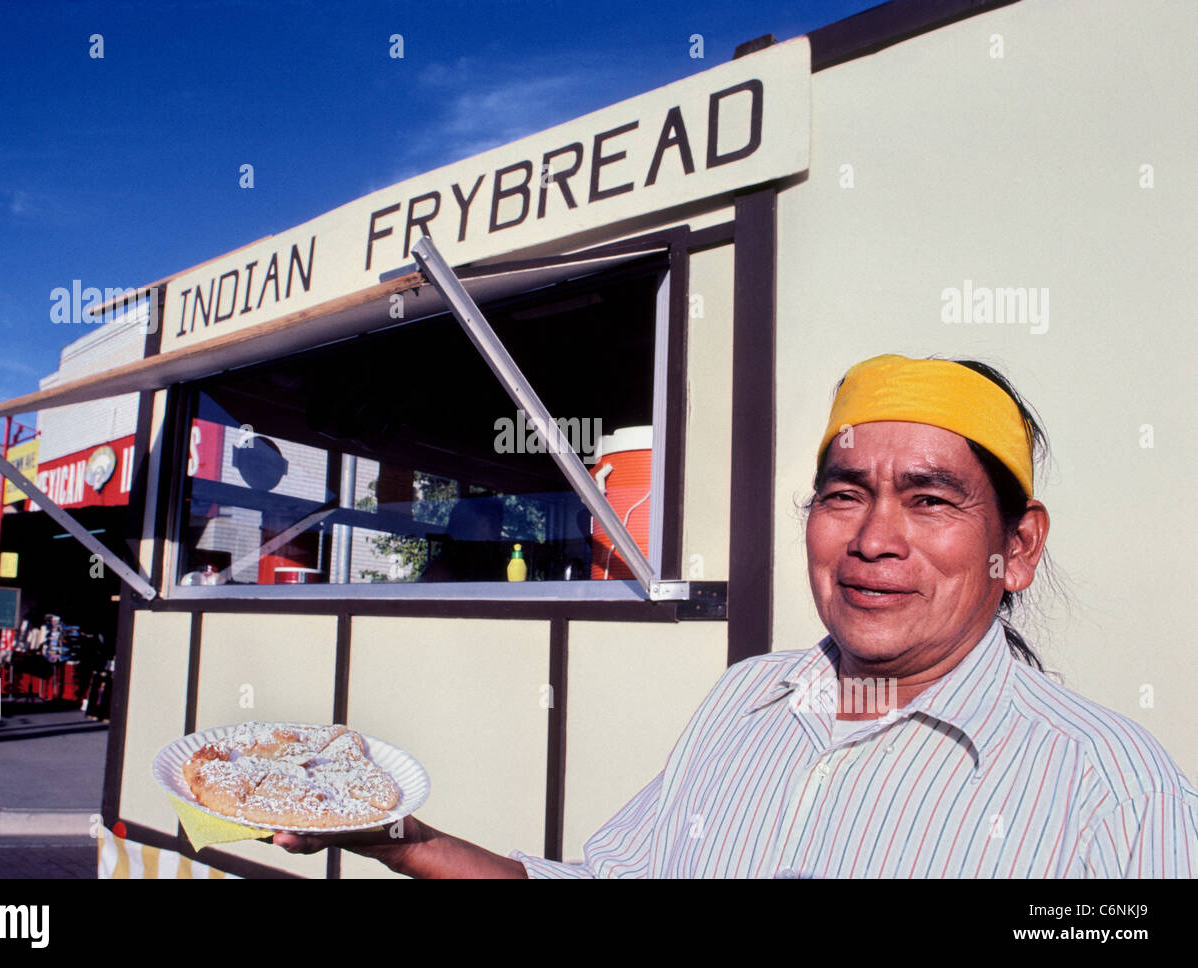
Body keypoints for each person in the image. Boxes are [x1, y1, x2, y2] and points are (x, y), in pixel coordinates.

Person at [275, 354, 1198, 877]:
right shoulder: (748, 703)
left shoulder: (1108, 794)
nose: (875, 540)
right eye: (845, 495)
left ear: (1019, 548)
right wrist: (390, 829)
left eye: (930, 501)